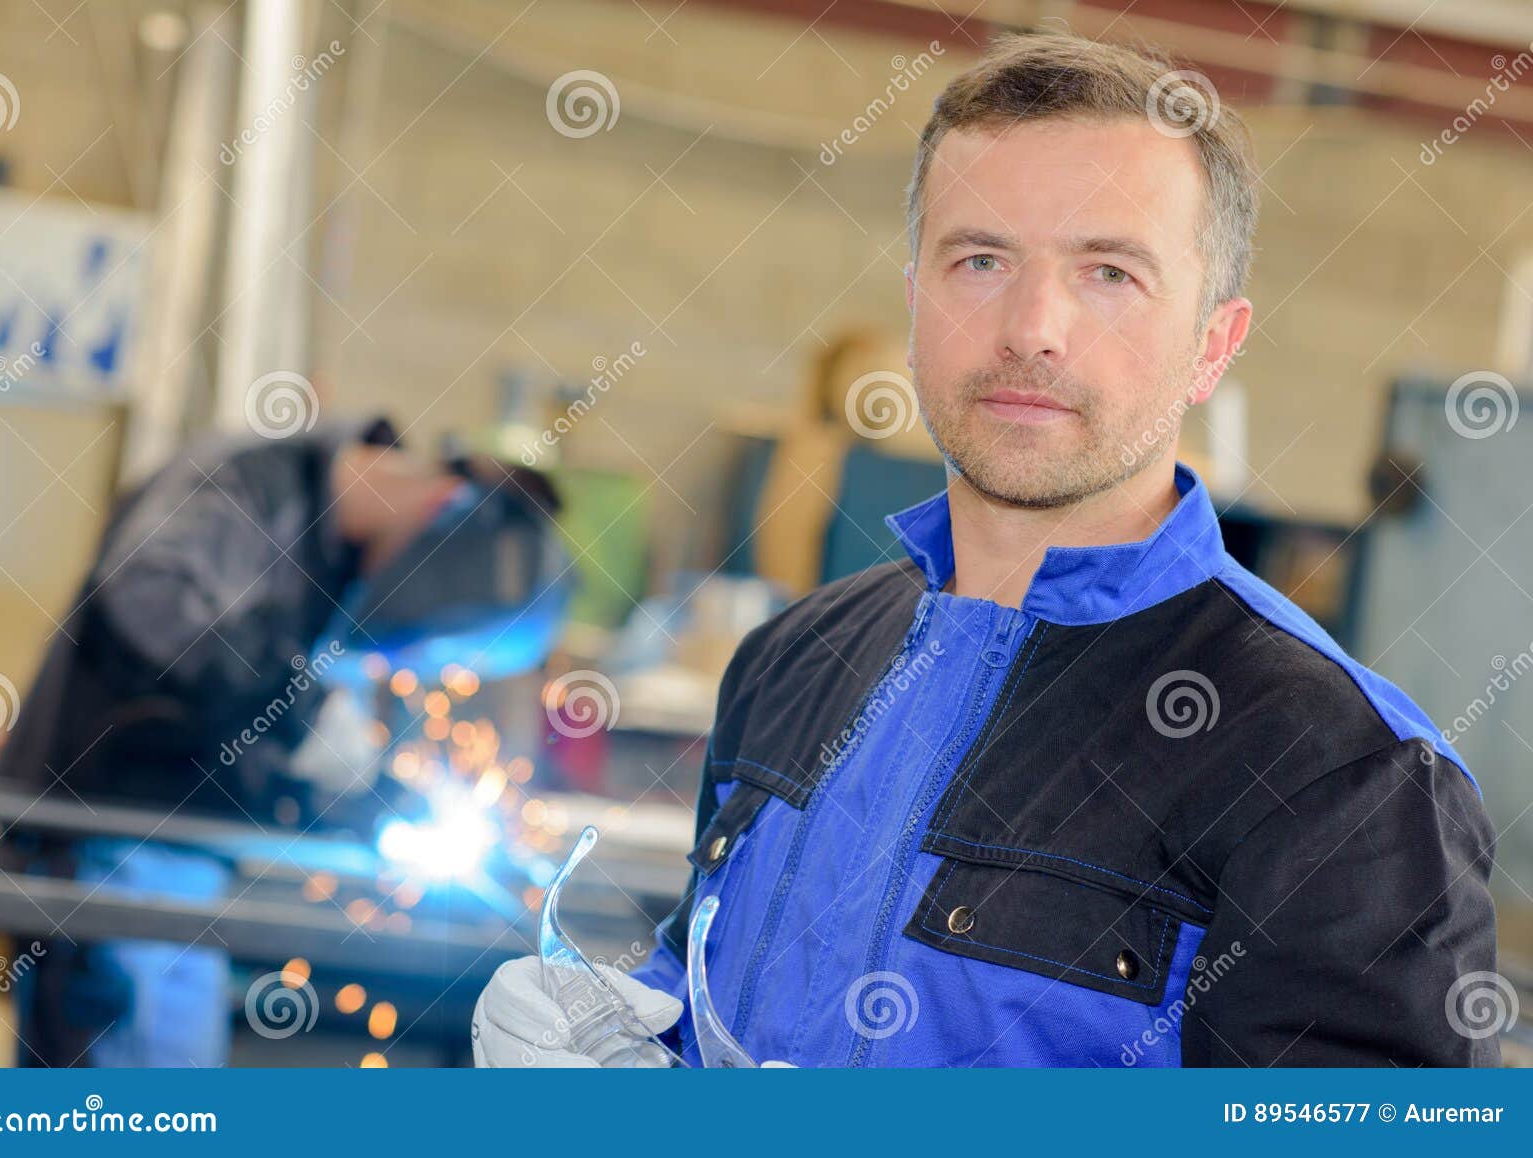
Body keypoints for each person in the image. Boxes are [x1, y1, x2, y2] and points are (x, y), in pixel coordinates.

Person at [472, 32, 1499, 1068]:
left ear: (1214, 345)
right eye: (980, 260)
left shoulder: (1345, 776)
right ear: (916, 300)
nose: (1031, 328)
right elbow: (719, 979)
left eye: (1108, 272)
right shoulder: (794, 658)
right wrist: (625, 1034)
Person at [0, 415, 555, 1066]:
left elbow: (258, 740)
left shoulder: (328, 547)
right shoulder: (241, 486)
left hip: (179, 860)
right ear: (436, 511)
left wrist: (351, 798)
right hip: (103, 846)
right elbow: (153, 610)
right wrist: (306, 718)